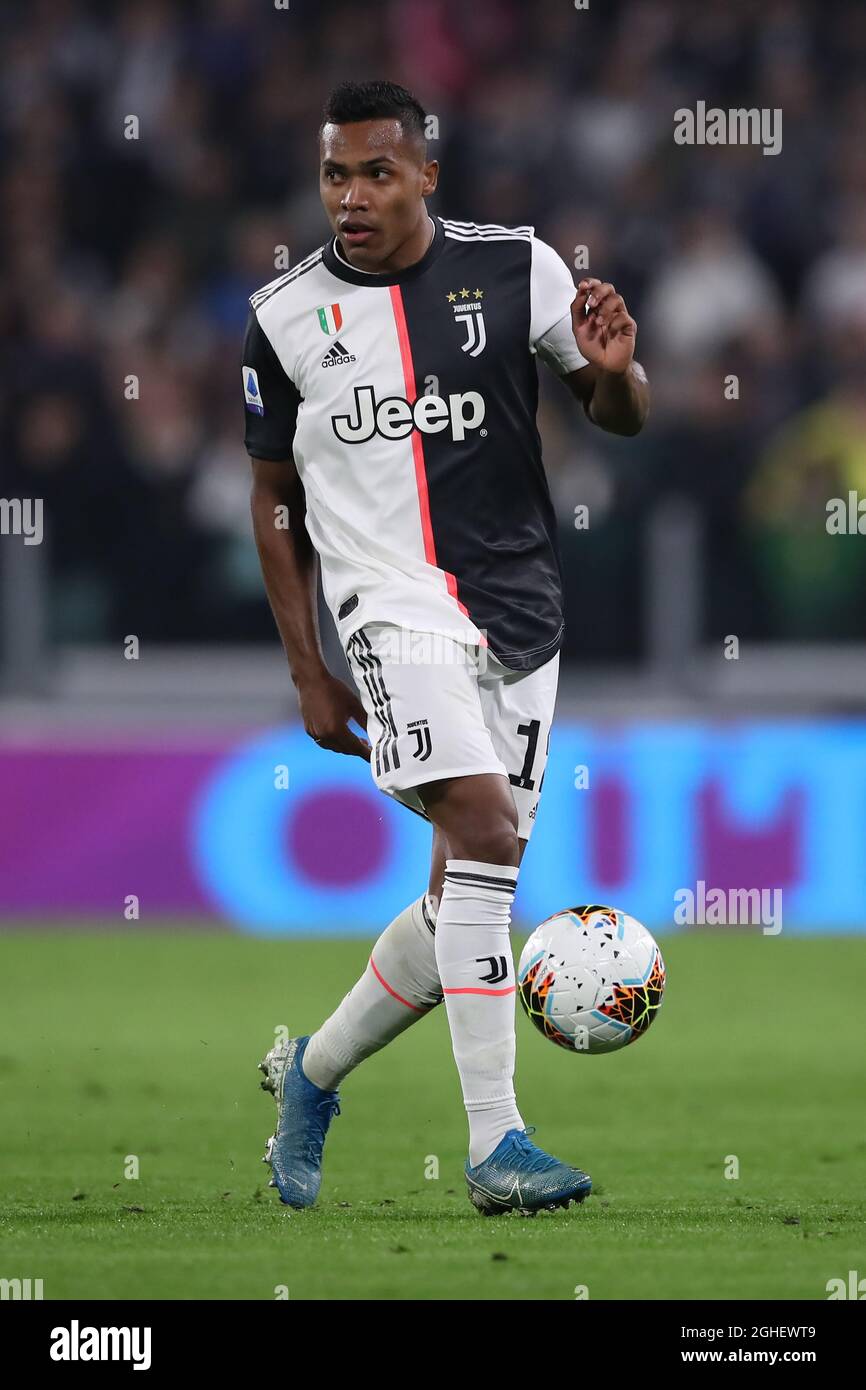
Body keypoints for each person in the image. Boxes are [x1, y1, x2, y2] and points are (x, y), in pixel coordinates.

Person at [243, 80, 649, 1215]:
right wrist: (305, 663)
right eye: (335, 174)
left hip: (520, 615)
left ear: (427, 173)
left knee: (463, 896)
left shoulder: (518, 267)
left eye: (376, 172)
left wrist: (614, 375)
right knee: (477, 826)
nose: (351, 196)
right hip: (386, 605)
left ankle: (311, 1077)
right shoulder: (282, 317)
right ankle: (496, 1145)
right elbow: (272, 499)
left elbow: (616, 411)